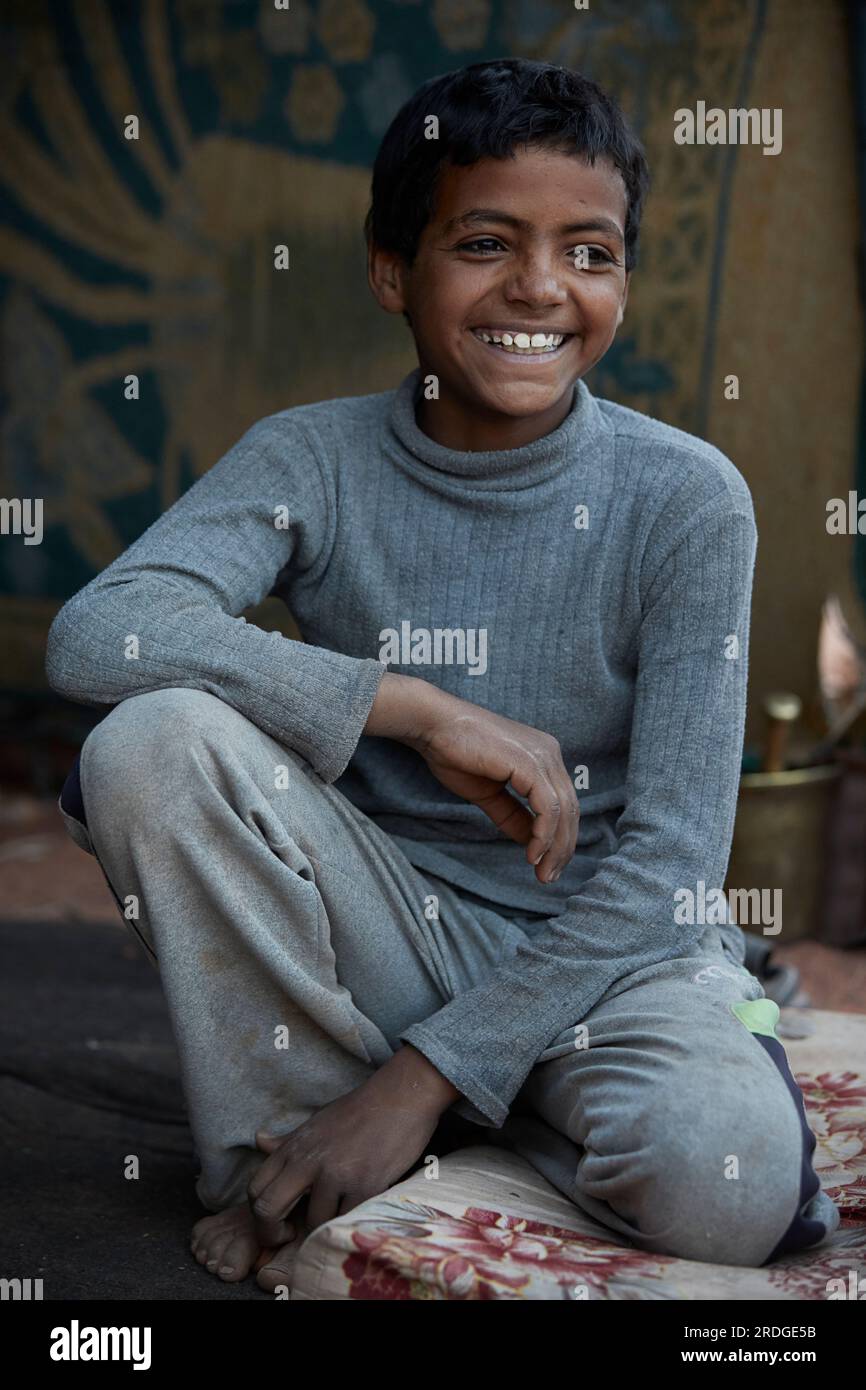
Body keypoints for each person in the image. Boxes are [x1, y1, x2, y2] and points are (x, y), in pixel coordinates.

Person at [46, 58, 838, 1293]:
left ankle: (417, 1109)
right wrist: (408, 707)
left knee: (717, 1188)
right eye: (483, 242)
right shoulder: (311, 459)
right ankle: (284, 1152)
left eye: (589, 251)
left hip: (612, 951)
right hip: (389, 919)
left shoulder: (683, 498)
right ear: (389, 270)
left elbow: (674, 861)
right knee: (147, 742)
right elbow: (102, 633)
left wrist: (422, 1078)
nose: (539, 287)